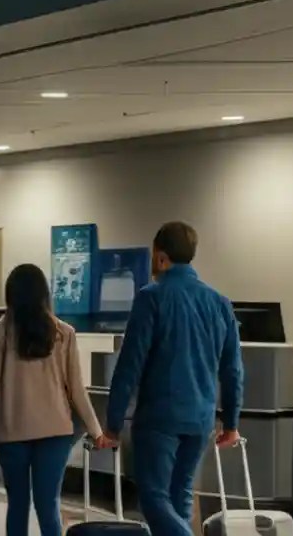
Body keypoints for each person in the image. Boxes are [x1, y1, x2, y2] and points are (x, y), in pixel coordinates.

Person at [103, 222, 244, 536]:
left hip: (159, 418)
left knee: (154, 497)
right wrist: (231, 423)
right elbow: (233, 369)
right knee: (180, 496)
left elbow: (129, 365)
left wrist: (113, 425)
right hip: (200, 421)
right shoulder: (220, 303)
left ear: (161, 256)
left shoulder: (151, 297)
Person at [0, 263, 104, 536]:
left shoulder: (0, 332)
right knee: (48, 505)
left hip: (10, 431)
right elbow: (77, 391)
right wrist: (96, 431)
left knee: (18, 504)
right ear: (45, 294)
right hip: (54, 432)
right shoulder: (64, 333)